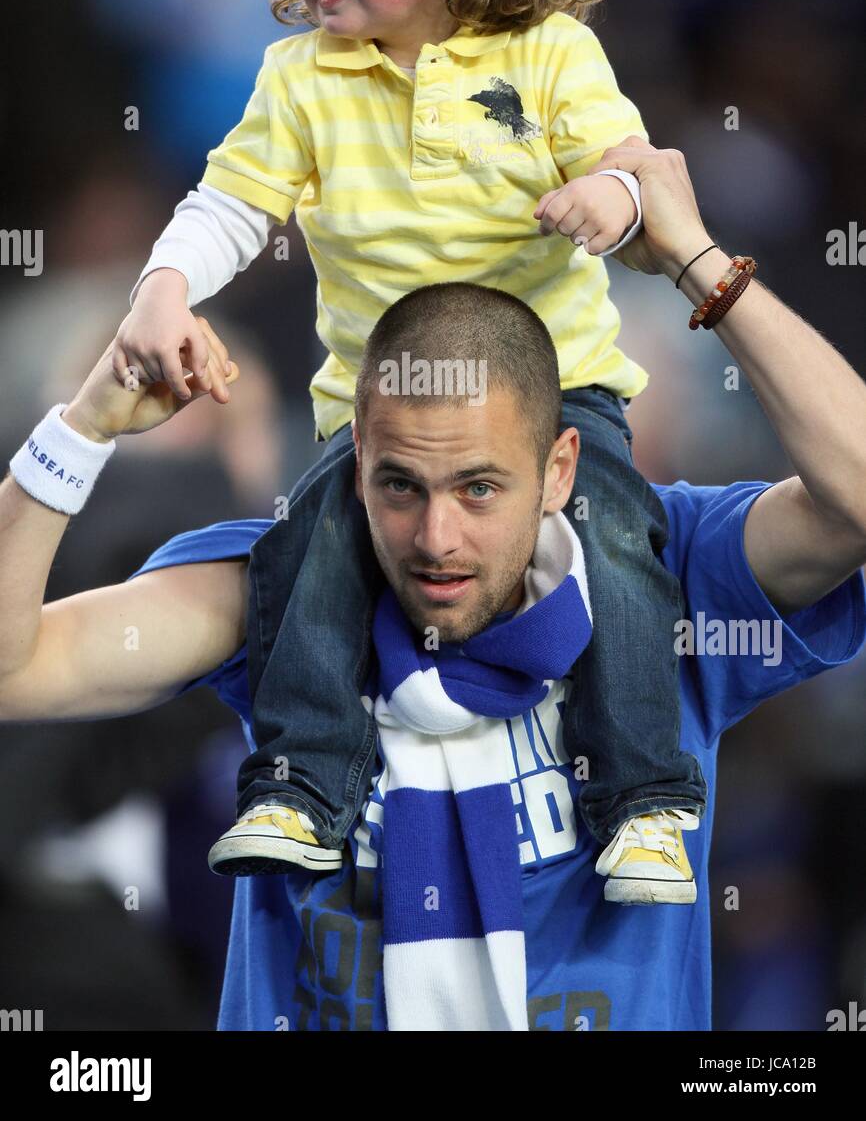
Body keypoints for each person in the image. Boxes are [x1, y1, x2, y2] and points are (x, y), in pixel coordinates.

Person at [3, 144, 865, 1031]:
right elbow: (12, 669)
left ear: (562, 469)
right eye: (400, 486)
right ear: (356, 465)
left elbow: (858, 499)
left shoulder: (664, 568)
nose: (437, 539)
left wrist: (701, 266)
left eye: (480, 489)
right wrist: (84, 427)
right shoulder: (286, 580)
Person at [107, 0, 707, 897]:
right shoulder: (300, 80)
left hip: (556, 395)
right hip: (375, 419)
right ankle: (298, 785)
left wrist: (611, 200)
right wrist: (164, 285)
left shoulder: (547, 54)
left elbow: (637, 169)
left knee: (622, 550)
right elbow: (231, 201)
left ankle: (643, 802)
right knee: (311, 549)